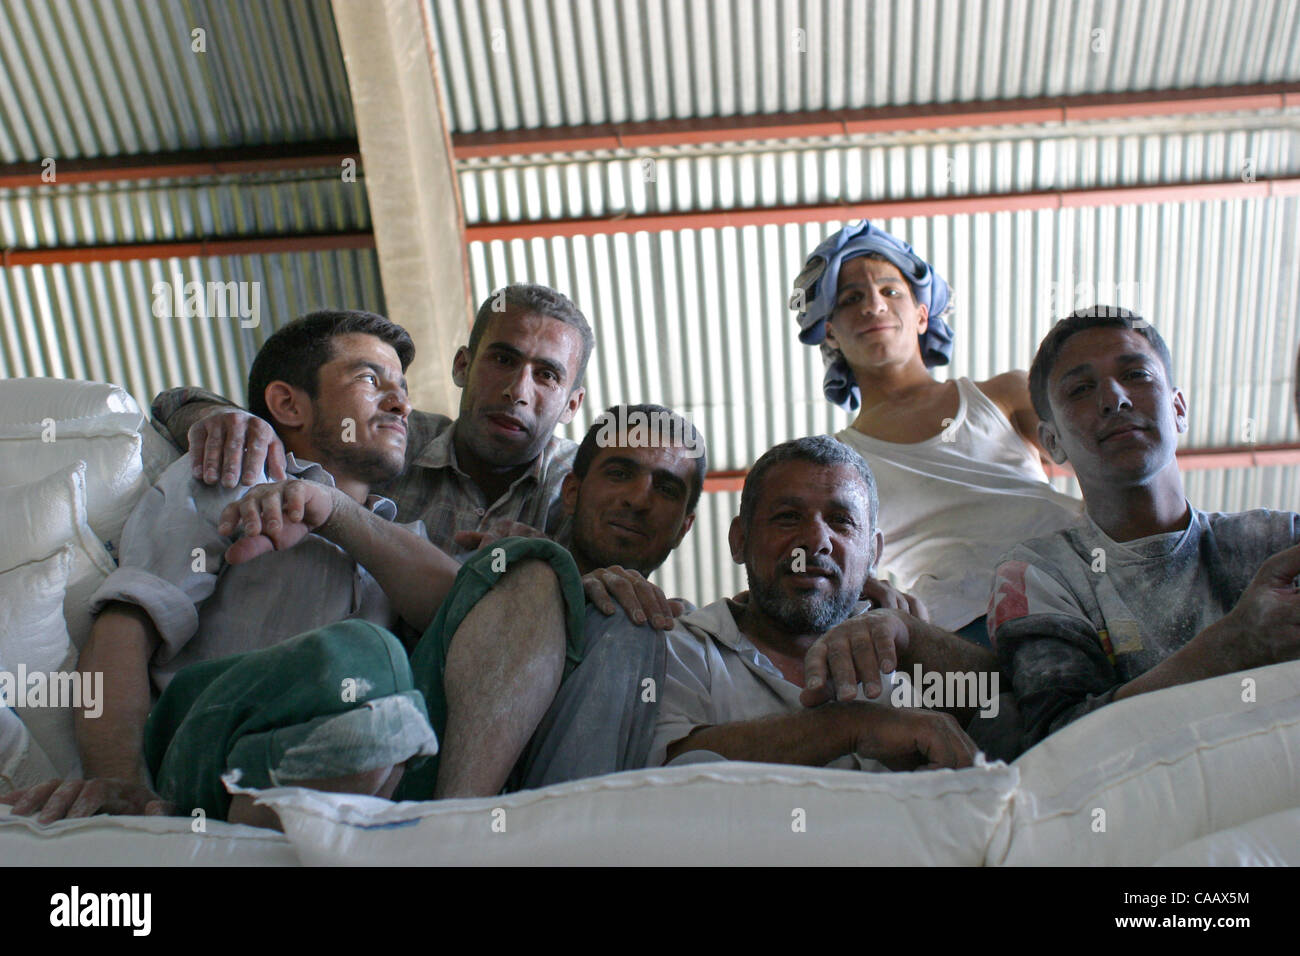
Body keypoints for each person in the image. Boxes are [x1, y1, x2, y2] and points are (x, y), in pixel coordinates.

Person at [1, 310, 589, 825]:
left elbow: (457, 608)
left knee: (533, 570)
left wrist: (333, 512)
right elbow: (123, 631)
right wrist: (118, 779)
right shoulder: (227, 477)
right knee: (368, 657)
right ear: (287, 404)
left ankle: (449, 827)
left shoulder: (399, 539)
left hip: (382, 745)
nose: (402, 403)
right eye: (369, 378)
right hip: (215, 739)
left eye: (403, 387)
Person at [989, 308, 1300, 749]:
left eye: (1135, 374)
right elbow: (1061, 746)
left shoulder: (1276, 540)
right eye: (1081, 388)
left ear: (1178, 409)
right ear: (1052, 442)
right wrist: (1231, 648)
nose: (1114, 398)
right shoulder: (1039, 576)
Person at [791, 221, 1083, 644]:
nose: (874, 304)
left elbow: (1101, 461)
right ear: (830, 331)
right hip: (966, 630)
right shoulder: (836, 462)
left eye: (891, 291)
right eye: (851, 298)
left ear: (922, 315)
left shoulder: (1003, 395)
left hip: (1080, 579)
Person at [150, 283, 592, 558]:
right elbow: (171, 402)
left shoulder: (583, 489)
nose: (518, 390)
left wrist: (552, 573)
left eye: (547, 375)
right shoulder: (390, 436)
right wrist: (223, 419)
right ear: (462, 366)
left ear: (572, 406)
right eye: (502, 359)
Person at [649, 436, 1001, 771]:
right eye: (788, 516)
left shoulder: (908, 650)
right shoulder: (679, 648)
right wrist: (848, 727)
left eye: (841, 521)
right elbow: (660, 769)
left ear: (872, 554)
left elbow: (1013, 708)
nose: (816, 540)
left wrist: (911, 636)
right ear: (740, 540)